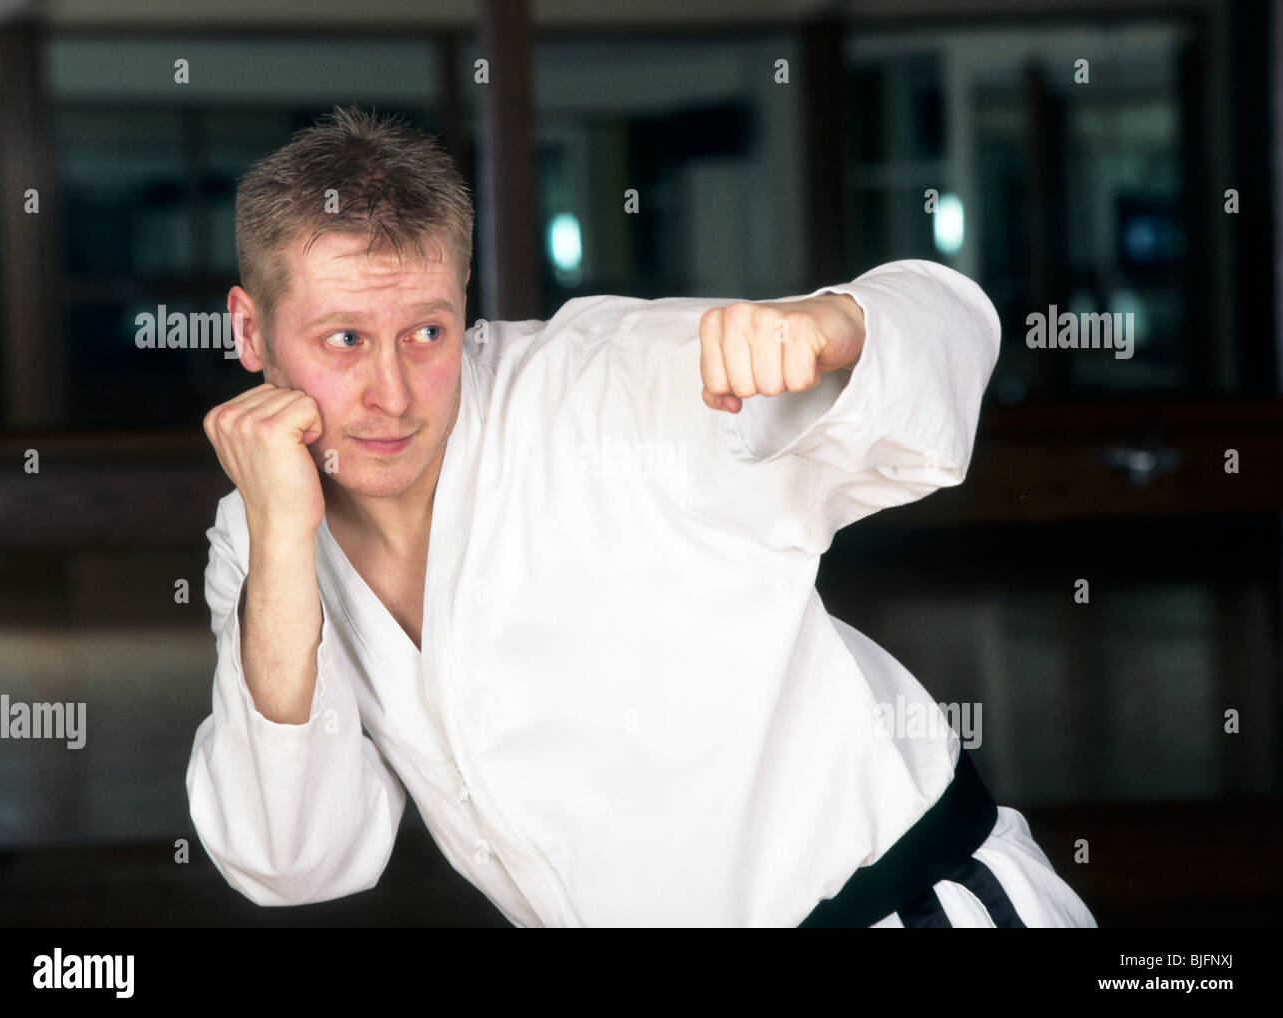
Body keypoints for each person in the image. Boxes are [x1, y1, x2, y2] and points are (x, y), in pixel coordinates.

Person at [185, 105, 1096, 928]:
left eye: (426, 333)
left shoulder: (613, 383)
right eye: (344, 340)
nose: (392, 394)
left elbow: (951, 329)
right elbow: (293, 859)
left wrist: (836, 324)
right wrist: (281, 538)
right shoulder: (264, 527)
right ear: (250, 330)